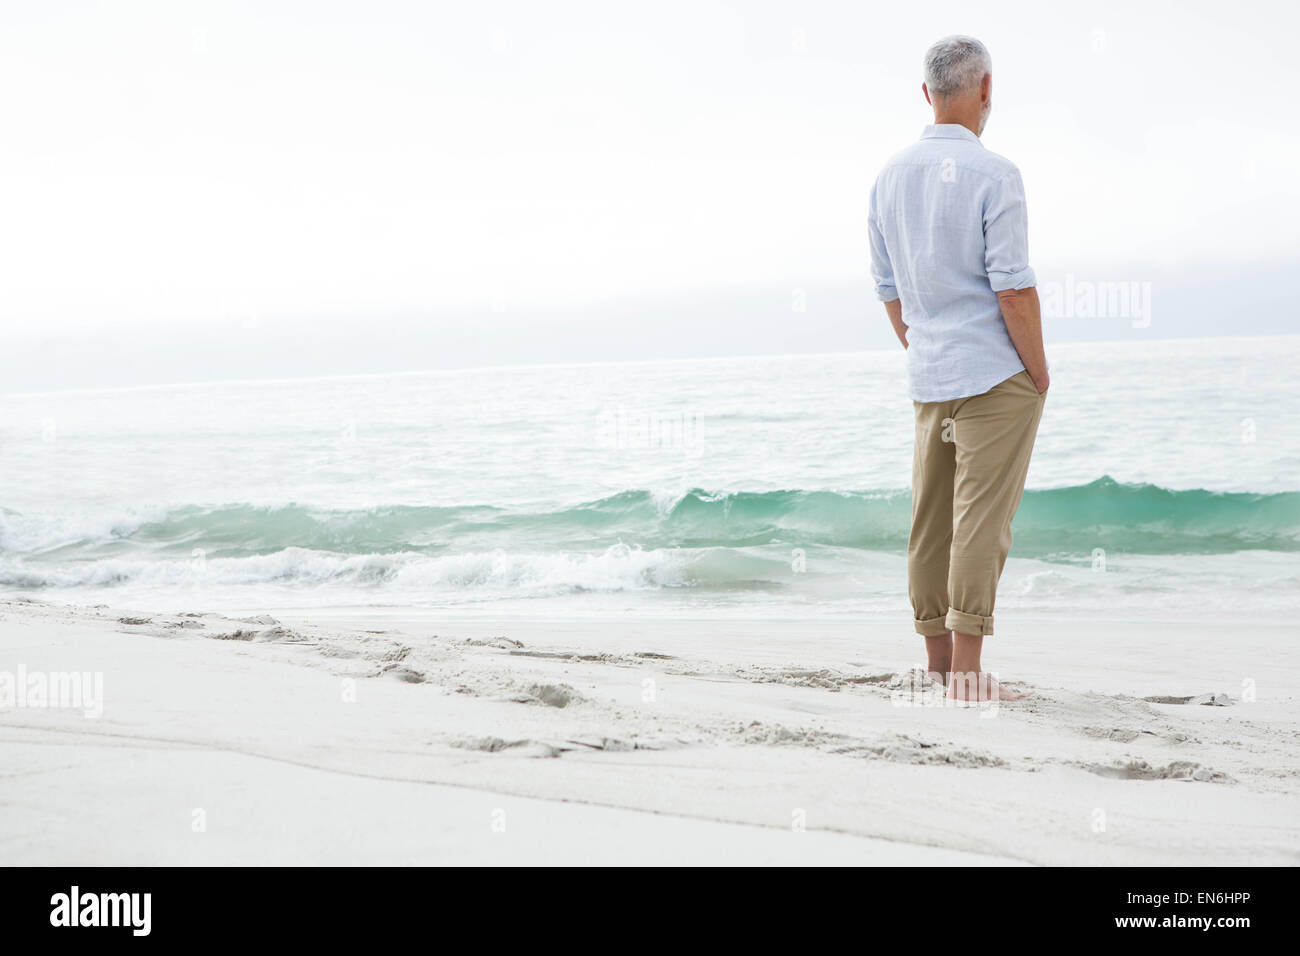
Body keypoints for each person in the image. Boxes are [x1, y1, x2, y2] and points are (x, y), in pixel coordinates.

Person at [868, 35, 1049, 702]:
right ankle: (970, 675)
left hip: (931, 374)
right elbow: (1012, 288)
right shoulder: (996, 174)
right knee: (980, 523)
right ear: (986, 90)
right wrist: (1039, 372)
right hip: (993, 372)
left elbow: (888, 288)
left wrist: (921, 349)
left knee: (933, 519)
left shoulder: (889, 176)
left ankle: (940, 665)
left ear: (927, 94)